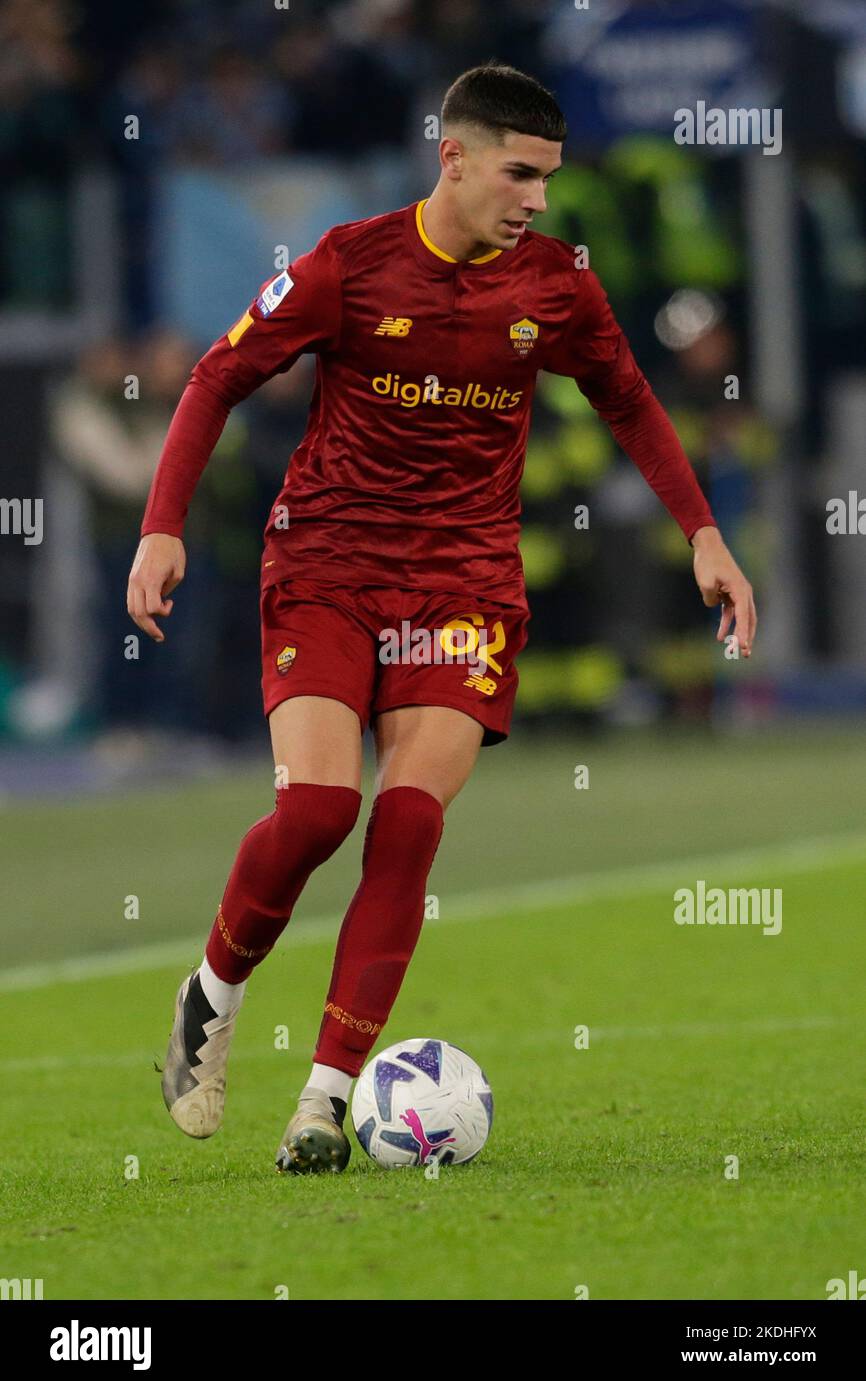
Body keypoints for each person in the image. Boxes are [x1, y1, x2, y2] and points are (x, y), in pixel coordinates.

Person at [128, 63, 756, 1174]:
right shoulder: (347, 264)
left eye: (549, 178)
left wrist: (703, 532)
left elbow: (627, 399)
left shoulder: (557, 285)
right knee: (320, 807)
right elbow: (216, 377)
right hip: (326, 564)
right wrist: (162, 524)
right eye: (519, 173)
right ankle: (210, 996)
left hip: (463, 584)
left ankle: (323, 1100)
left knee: (408, 824)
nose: (537, 199)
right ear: (451, 157)